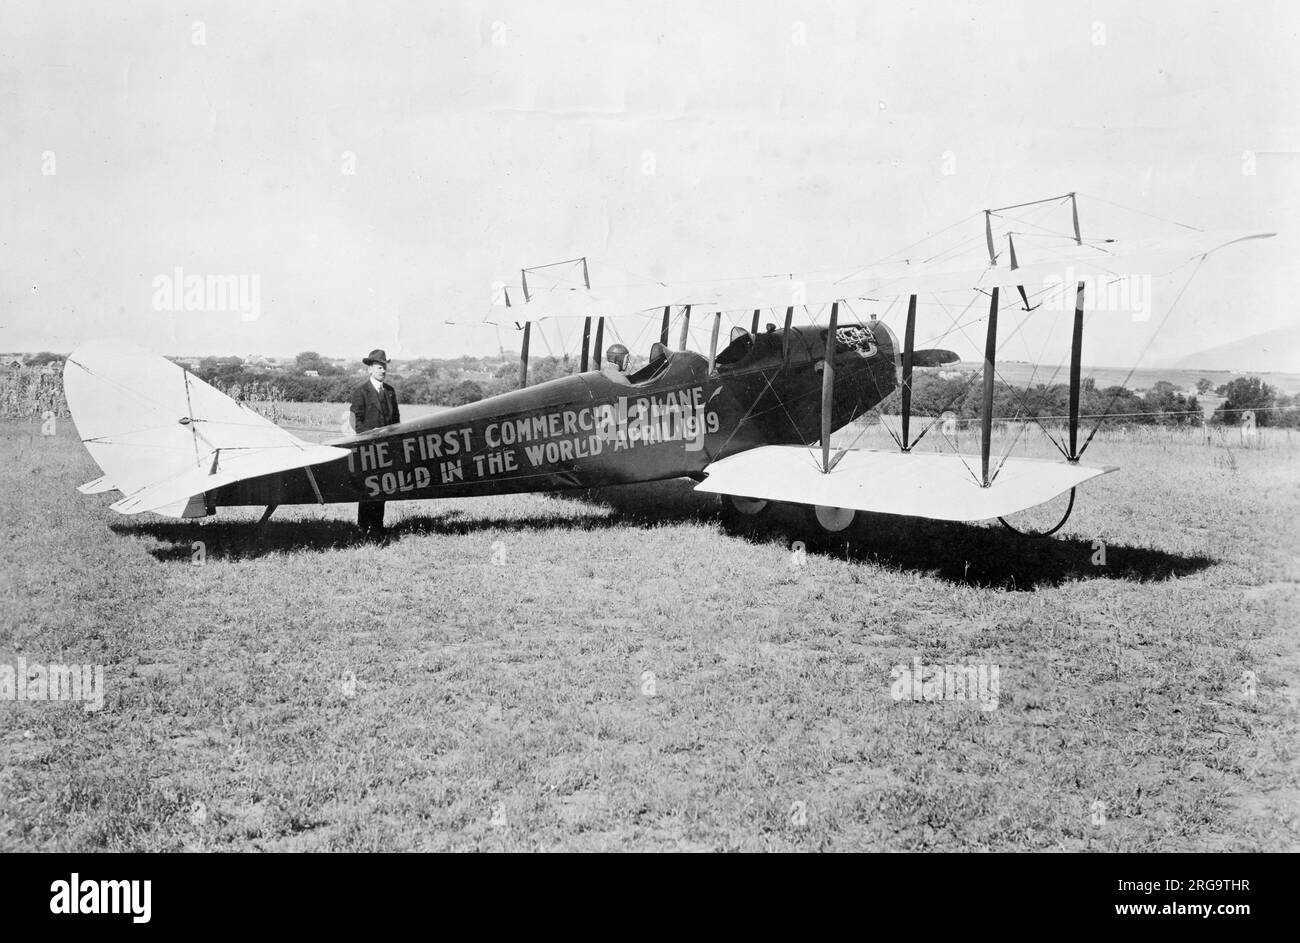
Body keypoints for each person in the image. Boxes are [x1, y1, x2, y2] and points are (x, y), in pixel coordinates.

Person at [350, 348, 400, 533]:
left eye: (384, 367)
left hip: (387, 449)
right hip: (368, 448)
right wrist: (370, 438)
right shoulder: (361, 392)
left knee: (383, 486)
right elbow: (356, 422)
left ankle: (378, 526)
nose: (383, 371)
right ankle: (364, 527)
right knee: (368, 487)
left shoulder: (390, 392)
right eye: (379, 367)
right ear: (370, 369)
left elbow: (396, 420)